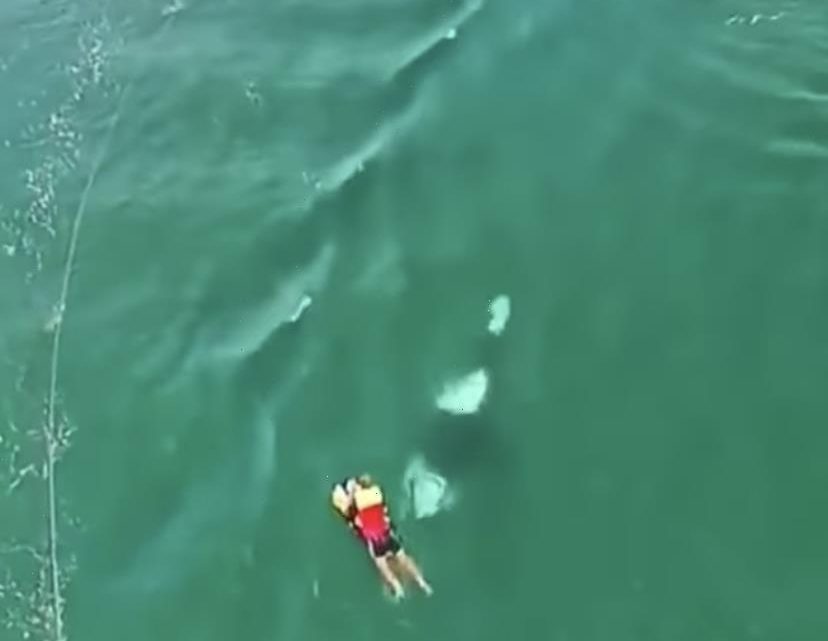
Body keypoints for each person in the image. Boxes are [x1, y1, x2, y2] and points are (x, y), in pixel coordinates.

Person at [331, 474, 432, 600]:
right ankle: (422, 582)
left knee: (382, 564)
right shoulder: (376, 493)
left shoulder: (356, 501)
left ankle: (397, 587)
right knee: (402, 557)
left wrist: (352, 493)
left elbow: (348, 509)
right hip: (386, 532)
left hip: (374, 538)